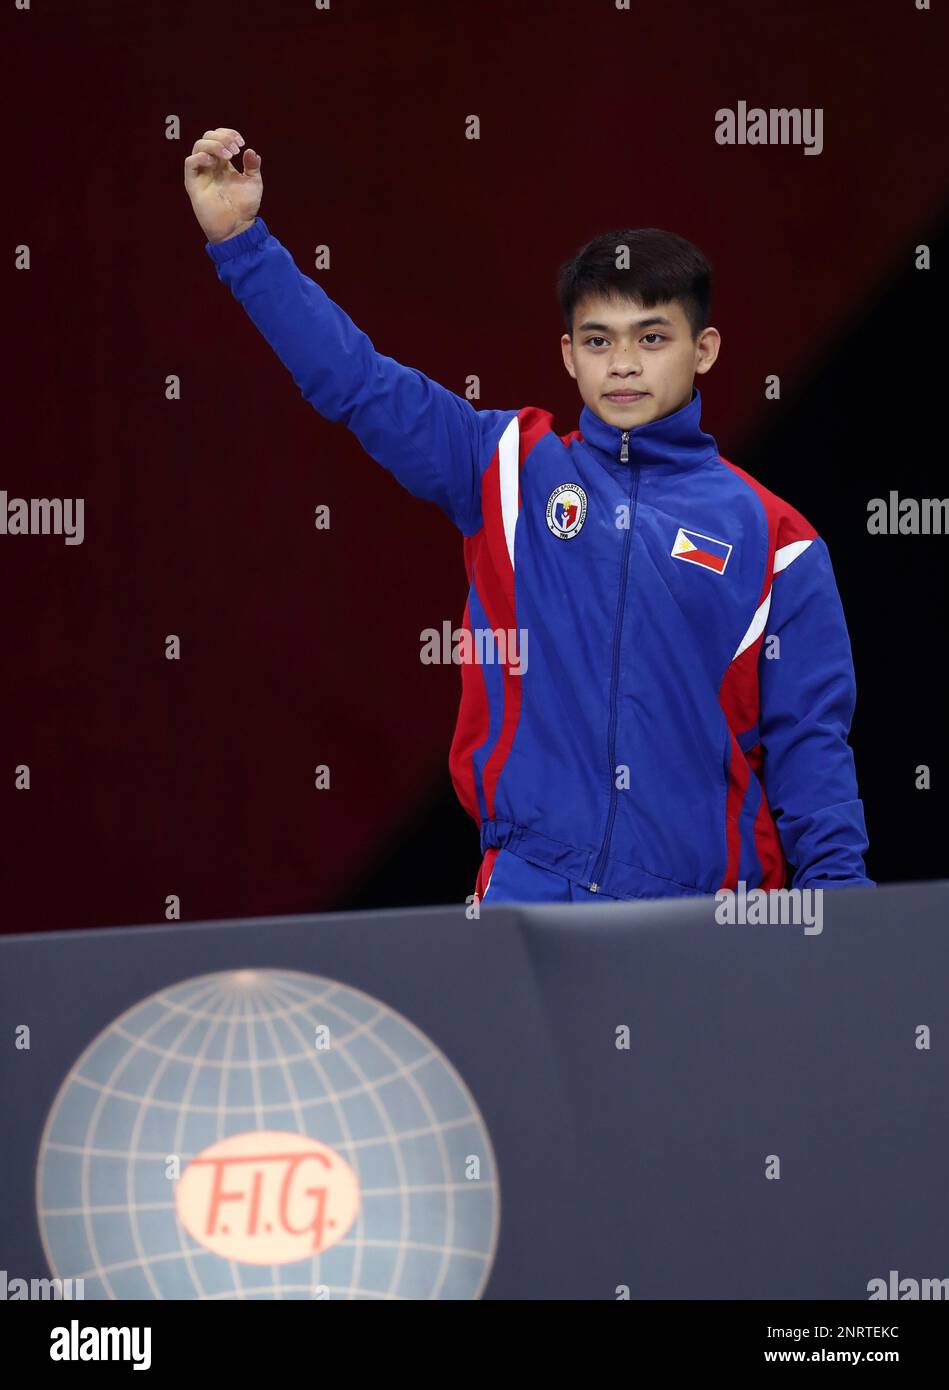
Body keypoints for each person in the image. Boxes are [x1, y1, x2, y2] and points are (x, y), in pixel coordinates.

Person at [184, 126, 873, 907]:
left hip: (706, 921)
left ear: (703, 348)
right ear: (567, 355)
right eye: (598, 340)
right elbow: (356, 382)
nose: (621, 364)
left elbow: (809, 751)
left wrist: (840, 927)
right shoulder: (507, 466)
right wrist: (243, 243)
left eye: (651, 338)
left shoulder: (778, 542)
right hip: (529, 898)